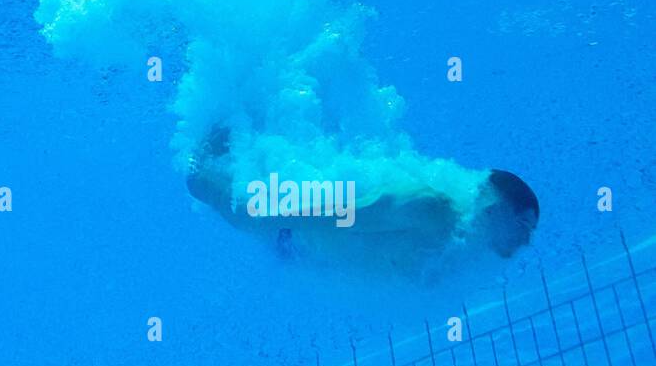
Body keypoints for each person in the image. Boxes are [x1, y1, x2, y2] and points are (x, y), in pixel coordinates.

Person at [184, 126, 539, 272]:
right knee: (201, 182)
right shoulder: (434, 209)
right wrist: (269, 214)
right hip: (295, 228)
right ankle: (211, 133)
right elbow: (349, 211)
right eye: (523, 224)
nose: (526, 239)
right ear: (493, 207)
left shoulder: (461, 250)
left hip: (301, 250)